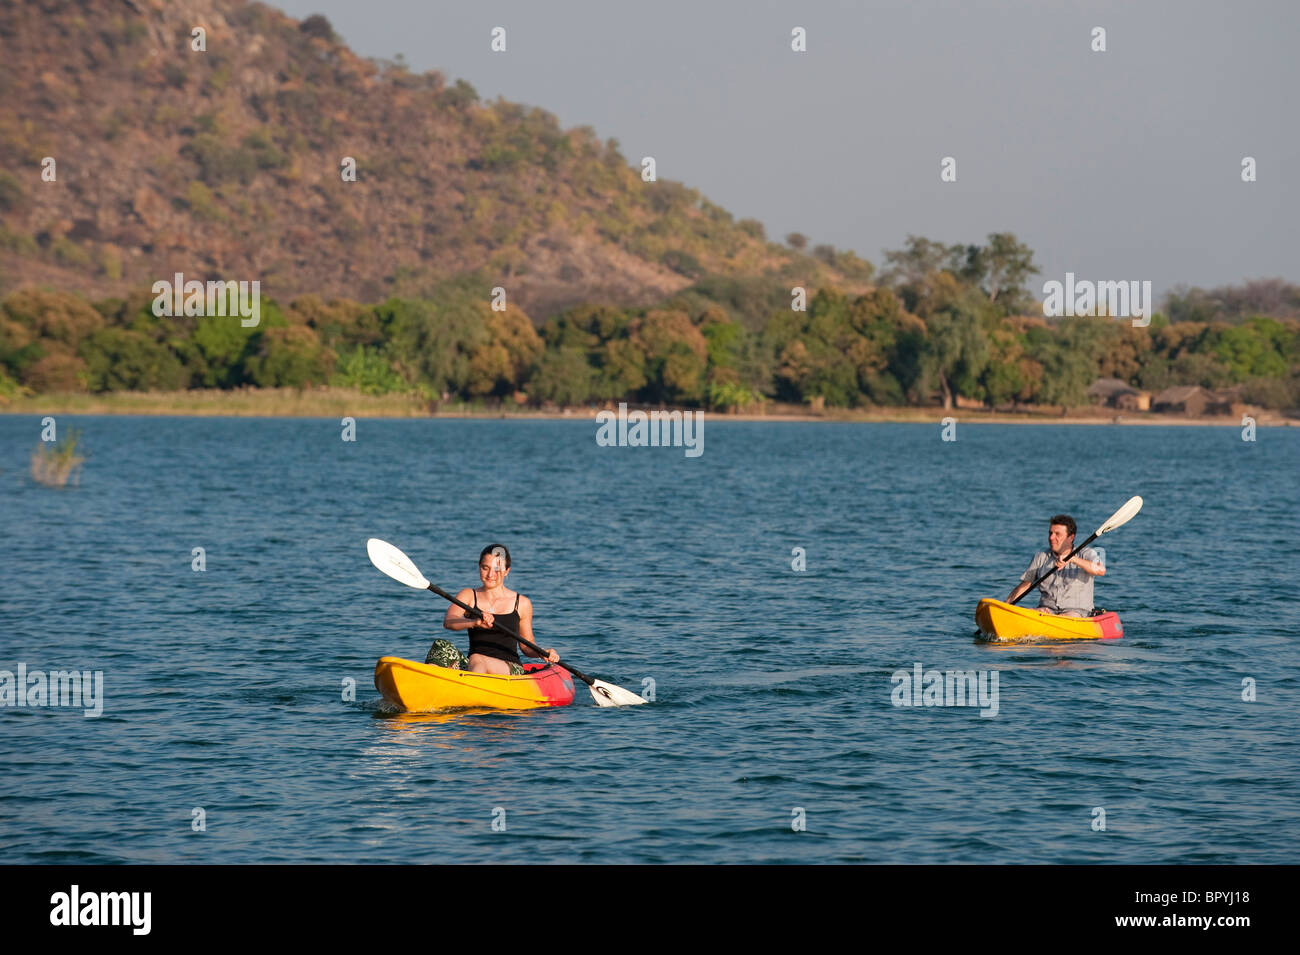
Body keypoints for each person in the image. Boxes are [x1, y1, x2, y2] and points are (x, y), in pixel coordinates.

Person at [425, 544, 560, 675]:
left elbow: (526, 646)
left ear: (507, 571)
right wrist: (475, 622)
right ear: (479, 567)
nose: (490, 574)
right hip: (474, 665)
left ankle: (472, 692)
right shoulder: (468, 595)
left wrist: (542, 652)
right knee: (440, 646)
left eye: (497, 569)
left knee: (478, 658)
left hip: (509, 668)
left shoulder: (522, 603)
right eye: (485, 568)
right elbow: (449, 621)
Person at [1006, 514, 1106, 617]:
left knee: (1068, 615)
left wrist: (1072, 559)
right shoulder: (1040, 557)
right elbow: (1024, 586)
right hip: (1047, 610)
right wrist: (1005, 606)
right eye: (1050, 533)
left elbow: (1100, 570)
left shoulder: (1086, 553)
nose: (1051, 537)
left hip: (1078, 613)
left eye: (1057, 534)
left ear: (1071, 537)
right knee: (1031, 612)